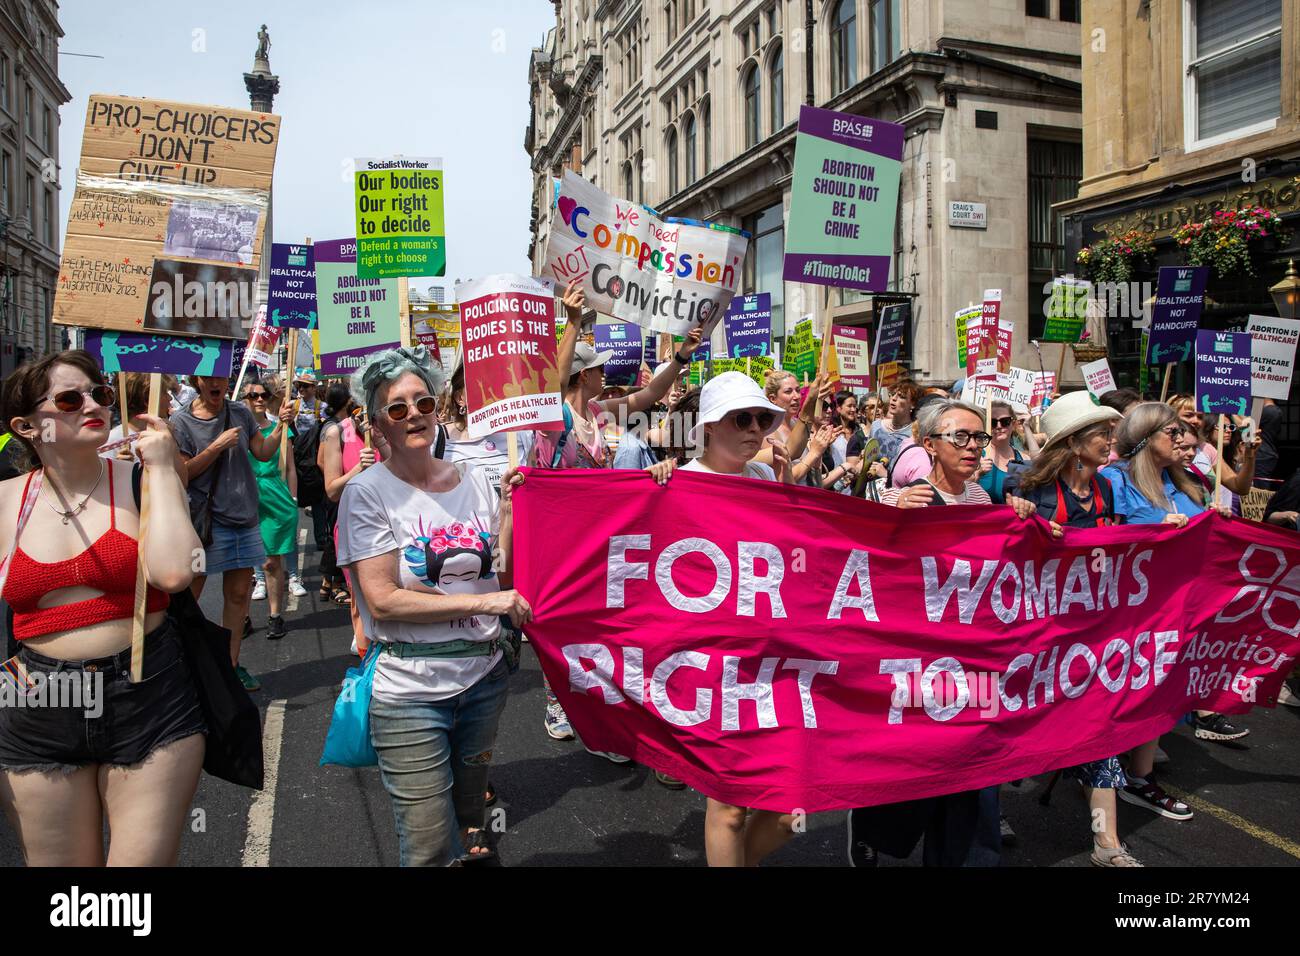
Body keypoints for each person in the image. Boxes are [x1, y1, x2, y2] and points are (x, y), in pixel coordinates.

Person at [0, 351, 204, 865]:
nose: (92, 404)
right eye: (70, 399)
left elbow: (176, 573)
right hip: (37, 705)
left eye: (100, 395)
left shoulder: (140, 480)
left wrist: (161, 468)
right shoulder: (5, 501)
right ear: (27, 426)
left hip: (147, 696)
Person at [336, 346, 530, 866]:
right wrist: (490, 600)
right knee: (426, 844)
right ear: (378, 425)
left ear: (437, 407)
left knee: (470, 811)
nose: (414, 414)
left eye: (422, 402)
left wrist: (507, 512)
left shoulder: (475, 481)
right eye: (397, 409)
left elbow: (499, 570)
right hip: (410, 692)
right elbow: (383, 599)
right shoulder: (367, 493)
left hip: (483, 679)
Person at [849, 400, 1023, 867]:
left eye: (979, 438)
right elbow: (859, 559)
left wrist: (1025, 523)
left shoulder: (983, 500)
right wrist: (892, 516)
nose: (972, 448)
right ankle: (869, 826)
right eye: (960, 438)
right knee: (913, 761)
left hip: (970, 656)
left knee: (973, 765)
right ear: (930, 445)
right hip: (914, 659)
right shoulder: (902, 499)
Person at [531, 280, 699, 752]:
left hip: (604, 536)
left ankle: (601, 706)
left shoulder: (601, 414)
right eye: (599, 371)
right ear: (583, 377)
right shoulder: (554, 417)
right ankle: (557, 700)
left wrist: (681, 358)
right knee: (563, 620)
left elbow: (648, 397)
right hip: (561, 536)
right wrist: (570, 323)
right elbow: (551, 382)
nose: (606, 375)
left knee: (602, 623)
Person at [656, 371, 793, 864]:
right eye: (743, 418)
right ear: (711, 426)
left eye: (762, 417)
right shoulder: (678, 483)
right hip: (716, 665)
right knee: (731, 807)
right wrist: (649, 492)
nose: (756, 428)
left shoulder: (765, 477)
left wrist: (792, 485)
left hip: (777, 658)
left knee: (791, 809)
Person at [1003, 392, 1142, 866]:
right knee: (1015, 725)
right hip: (1035, 635)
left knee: (1096, 725)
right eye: (1101, 434)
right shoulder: (1031, 486)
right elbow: (1002, 552)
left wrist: (1164, 527)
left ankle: (1107, 843)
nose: (1110, 440)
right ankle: (989, 799)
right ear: (1074, 442)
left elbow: (1123, 540)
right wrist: (1026, 522)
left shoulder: (1105, 487)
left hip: (1090, 631)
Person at [1101, 403, 1244, 816]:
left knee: (1162, 690)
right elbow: (1102, 541)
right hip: (1131, 611)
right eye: (1173, 432)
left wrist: (1212, 520)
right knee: (1125, 695)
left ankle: (1139, 777)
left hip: (1177, 609)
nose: (1185, 438)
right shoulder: (1115, 480)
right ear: (1146, 439)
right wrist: (1153, 532)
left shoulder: (1183, 482)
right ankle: (1103, 771)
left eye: (1184, 431)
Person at [170, 373, 292, 692]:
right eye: (209, 378)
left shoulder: (238, 412)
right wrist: (215, 447)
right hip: (206, 523)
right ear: (197, 380)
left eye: (221, 378)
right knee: (189, 598)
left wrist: (280, 426)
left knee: (238, 596)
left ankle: (230, 665)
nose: (216, 384)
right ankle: (183, 667)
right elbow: (182, 473)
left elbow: (264, 453)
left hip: (244, 518)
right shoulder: (181, 421)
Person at [244, 379, 297, 642]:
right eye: (253, 395)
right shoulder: (234, 428)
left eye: (264, 394)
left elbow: (289, 467)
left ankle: (275, 616)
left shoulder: (281, 427)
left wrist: (293, 496)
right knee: (240, 563)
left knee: (271, 561)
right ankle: (240, 616)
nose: (259, 399)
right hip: (243, 497)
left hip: (274, 497)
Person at [977, 399, 1031, 504]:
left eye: (1005, 421)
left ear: (1013, 424)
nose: (999, 426)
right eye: (993, 423)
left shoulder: (1024, 458)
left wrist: (1027, 426)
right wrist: (976, 474)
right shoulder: (978, 455)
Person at [870, 380, 920, 466]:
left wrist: (887, 475)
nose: (893, 398)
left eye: (901, 396)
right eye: (892, 394)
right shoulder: (876, 426)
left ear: (913, 404)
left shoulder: (915, 432)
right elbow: (867, 459)